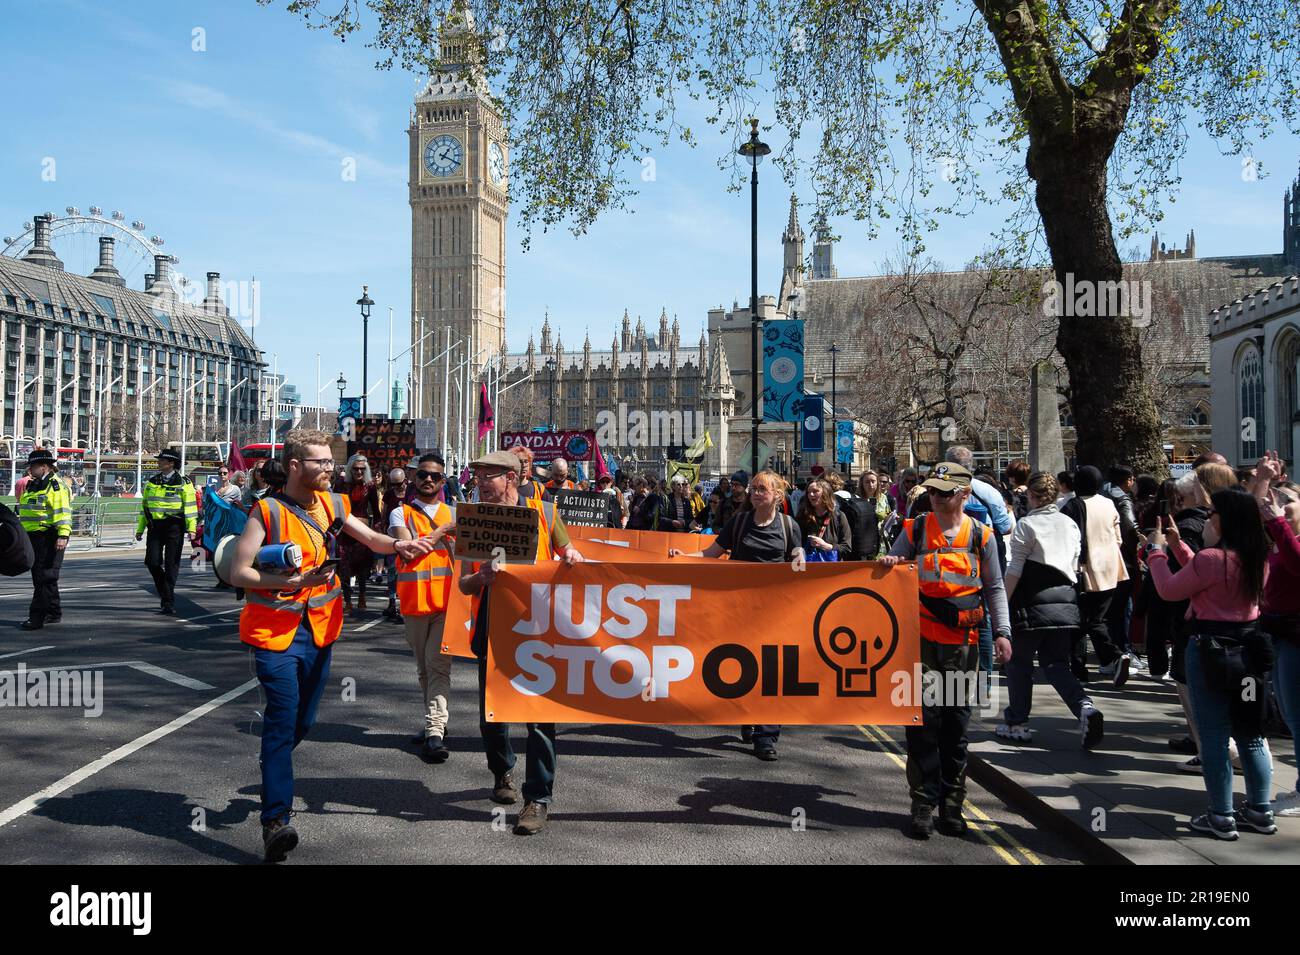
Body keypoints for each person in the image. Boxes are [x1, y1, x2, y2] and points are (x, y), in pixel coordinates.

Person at [230, 429, 437, 862]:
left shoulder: (332, 504)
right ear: (294, 466)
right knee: (282, 720)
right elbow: (237, 571)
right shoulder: (265, 510)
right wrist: (288, 582)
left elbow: (370, 538)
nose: (330, 469)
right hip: (274, 635)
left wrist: (399, 544)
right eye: (321, 462)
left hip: (320, 631)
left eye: (330, 462)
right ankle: (276, 821)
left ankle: (274, 766)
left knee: (302, 723)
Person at [879, 461, 1012, 839]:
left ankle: (952, 806)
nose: (935, 497)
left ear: (965, 495)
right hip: (919, 643)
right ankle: (922, 803)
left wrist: (1002, 632)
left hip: (963, 646)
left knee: (955, 727)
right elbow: (890, 570)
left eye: (944, 492)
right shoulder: (915, 528)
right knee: (922, 726)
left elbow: (995, 588)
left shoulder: (982, 537)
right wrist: (890, 563)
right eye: (932, 491)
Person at [458, 450, 583, 835]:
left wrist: (573, 556)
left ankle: (538, 799)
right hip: (493, 628)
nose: (479, 483)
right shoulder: (475, 519)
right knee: (492, 713)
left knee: (541, 717)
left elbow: (570, 553)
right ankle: (502, 771)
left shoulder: (545, 513)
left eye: (487, 477)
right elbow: (464, 583)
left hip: (539, 631)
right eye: (477, 476)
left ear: (511, 479)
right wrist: (481, 578)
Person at [1144, 487, 1275, 841]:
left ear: (1224, 520)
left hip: (1210, 652)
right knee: (1251, 733)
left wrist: (1155, 552)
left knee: (1215, 735)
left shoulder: (1212, 559)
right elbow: (1210, 578)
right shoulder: (1257, 556)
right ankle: (1261, 810)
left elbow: (1170, 589)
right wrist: (1178, 546)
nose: (1207, 518)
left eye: (1213, 513)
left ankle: (1221, 815)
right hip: (1249, 652)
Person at [669, 470, 805, 761]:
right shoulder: (740, 522)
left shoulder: (789, 526)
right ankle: (749, 716)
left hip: (776, 614)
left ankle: (766, 737)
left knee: (773, 675)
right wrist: (682, 557)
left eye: (763, 490)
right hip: (741, 612)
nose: (756, 494)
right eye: (754, 489)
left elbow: (798, 565)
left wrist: (800, 558)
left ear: (777, 496)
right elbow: (710, 554)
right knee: (747, 670)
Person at [998, 472, 1103, 748]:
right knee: (1056, 665)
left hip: (1032, 604)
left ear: (1032, 496)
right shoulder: (1069, 524)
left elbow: (1015, 570)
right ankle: (1085, 707)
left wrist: (1001, 603)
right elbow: (1075, 563)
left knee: (1019, 664)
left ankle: (1017, 722)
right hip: (1066, 603)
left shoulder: (1027, 525)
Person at [390, 454, 457, 763]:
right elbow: (409, 551)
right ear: (413, 479)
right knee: (423, 669)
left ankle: (434, 732)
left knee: (438, 666)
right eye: (423, 475)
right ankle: (435, 720)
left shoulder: (456, 513)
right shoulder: (399, 514)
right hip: (415, 603)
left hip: (447, 604)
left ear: (443, 481)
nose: (428, 480)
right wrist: (443, 532)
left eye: (435, 476)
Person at [1249, 451, 1300, 816]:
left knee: (1298, 717)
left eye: (1289, 503)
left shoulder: (1289, 536)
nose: (1279, 507)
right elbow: (1249, 518)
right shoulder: (1281, 535)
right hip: (1281, 634)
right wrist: (1264, 479)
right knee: (1291, 715)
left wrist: (1280, 523)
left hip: (1297, 637)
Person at [1060, 466, 1128, 684]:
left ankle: (1112, 657)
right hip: (1111, 567)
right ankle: (1088, 666)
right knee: (1095, 617)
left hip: (1084, 569)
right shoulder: (1109, 503)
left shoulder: (1072, 505)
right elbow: (1118, 537)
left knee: (1085, 620)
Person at [135, 449, 199, 615]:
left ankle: (167, 601)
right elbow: (145, 508)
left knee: (171, 565)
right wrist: (140, 529)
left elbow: (191, 508)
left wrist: (192, 528)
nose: (159, 462)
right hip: (155, 526)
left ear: (171, 463)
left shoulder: (183, 483)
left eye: (162, 460)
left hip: (174, 526)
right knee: (152, 562)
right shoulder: (152, 482)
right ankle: (166, 592)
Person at [18, 449, 72, 630]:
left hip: (49, 536)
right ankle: (53, 612)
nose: (30, 470)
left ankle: (36, 618)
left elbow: (63, 512)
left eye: (32, 466)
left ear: (44, 466)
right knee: (42, 577)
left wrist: (63, 535)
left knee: (45, 577)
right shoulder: (35, 484)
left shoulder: (56, 485)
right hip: (33, 536)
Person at [335, 454, 380, 613]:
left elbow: (376, 510)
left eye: (362, 469)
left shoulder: (370, 486)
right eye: (355, 469)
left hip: (362, 531)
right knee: (344, 566)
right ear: (350, 469)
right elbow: (334, 506)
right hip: (344, 530)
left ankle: (362, 595)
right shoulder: (341, 484)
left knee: (362, 567)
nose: (359, 472)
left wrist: (377, 530)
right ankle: (347, 600)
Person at [795, 478, 852, 560]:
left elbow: (847, 548)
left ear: (825, 493)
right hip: (808, 568)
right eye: (808, 492)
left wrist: (827, 546)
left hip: (832, 569)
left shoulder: (839, 516)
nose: (811, 494)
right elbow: (795, 545)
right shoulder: (802, 517)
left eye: (815, 491)